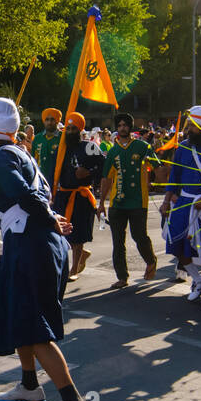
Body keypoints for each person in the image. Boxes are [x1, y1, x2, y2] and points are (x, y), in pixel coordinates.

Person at [0, 97, 98, 401]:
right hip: (33, 245)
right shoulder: (21, 154)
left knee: (34, 328)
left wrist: (48, 218)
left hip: (31, 247)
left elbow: (26, 195)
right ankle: (29, 385)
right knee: (17, 316)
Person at [160, 106, 201, 304]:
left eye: (193, 126)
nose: (188, 129)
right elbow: (175, 176)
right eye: (188, 125)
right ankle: (198, 280)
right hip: (184, 202)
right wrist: (166, 200)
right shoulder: (183, 147)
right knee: (175, 244)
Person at [100, 111, 159, 289]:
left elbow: (158, 166)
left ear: (130, 127)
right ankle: (122, 277)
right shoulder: (112, 152)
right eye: (119, 126)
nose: (123, 128)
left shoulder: (142, 147)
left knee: (139, 236)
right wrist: (101, 203)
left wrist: (169, 189)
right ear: (116, 129)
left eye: (125, 125)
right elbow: (106, 179)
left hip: (138, 202)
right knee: (118, 241)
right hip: (117, 203)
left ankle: (151, 260)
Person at [51, 111, 102, 282]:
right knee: (62, 232)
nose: (71, 132)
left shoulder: (89, 146)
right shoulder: (61, 147)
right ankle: (79, 256)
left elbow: (104, 167)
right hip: (63, 195)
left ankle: (74, 268)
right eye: (68, 128)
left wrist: (88, 172)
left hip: (81, 196)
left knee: (77, 233)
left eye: (74, 129)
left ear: (80, 130)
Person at [30, 108, 62, 186]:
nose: (49, 122)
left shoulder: (63, 137)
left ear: (57, 121)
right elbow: (33, 159)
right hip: (40, 179)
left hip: (59, 181)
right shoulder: (37, 138)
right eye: (47, 120)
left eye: (52, 119)